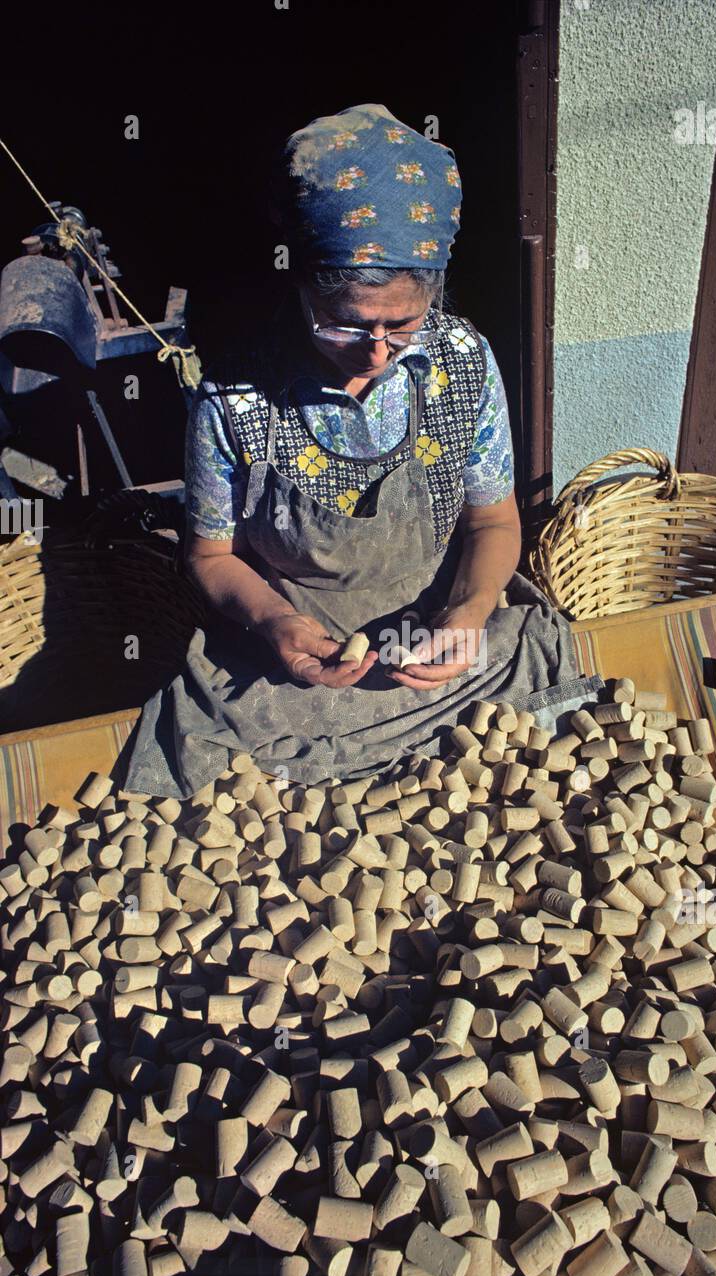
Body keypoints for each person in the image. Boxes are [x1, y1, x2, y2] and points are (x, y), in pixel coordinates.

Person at [124, 103, 580, 797]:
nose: (375, 350)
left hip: (441, 647)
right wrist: (274, 621)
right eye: (345, 324)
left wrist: (470, 609)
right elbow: (209, 555)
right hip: (295, 674)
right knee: (206, 758)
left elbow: (493, 521)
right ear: (301, 282)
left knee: (540, 694)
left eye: (401, 325)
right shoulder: (237, 391)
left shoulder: (463, 362)